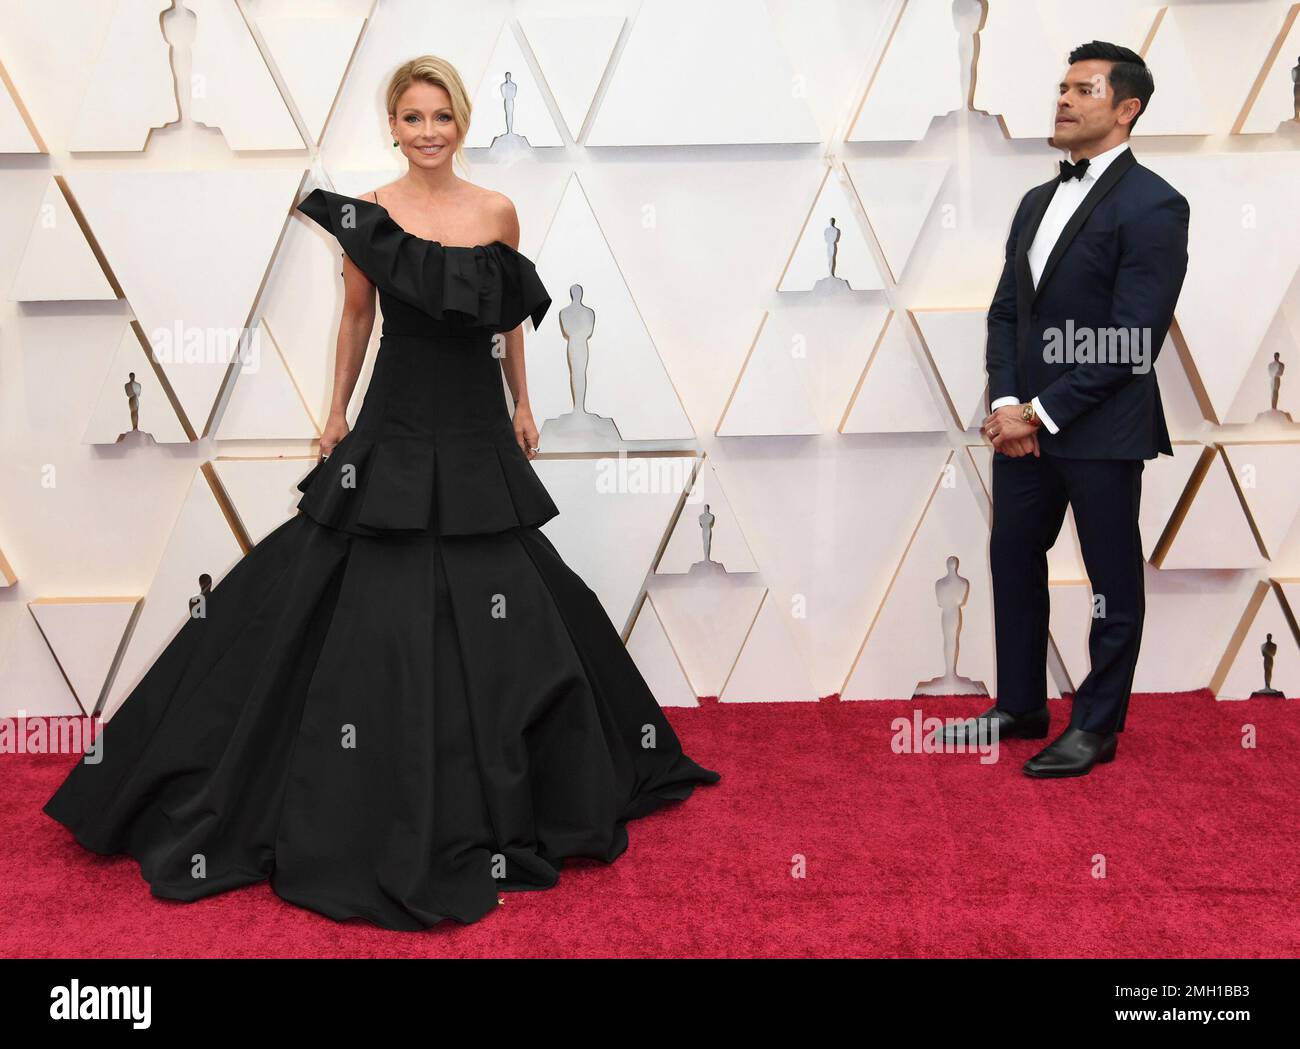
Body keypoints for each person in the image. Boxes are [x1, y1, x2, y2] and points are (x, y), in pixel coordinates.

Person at [43, 55, 720, 930]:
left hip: (475, 423)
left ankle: (523, 775)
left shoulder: (497, 212)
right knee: (350, 598)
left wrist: (525, 402)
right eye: (412, 117)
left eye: (441, 115)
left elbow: (509, 315)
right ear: (392, 126)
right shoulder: (367, 215)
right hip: (396, 418)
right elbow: (357, 318)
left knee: (516, 599)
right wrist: (332, 413)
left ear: (462, 120)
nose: (428, 131)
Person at [940, 41, 1189, 777]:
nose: (1064, 100)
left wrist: (1041, 412)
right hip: (1025, 431)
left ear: (1126, 108)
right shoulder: (1035, 202)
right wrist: (1009, 402)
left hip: (1102, 432)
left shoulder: (1156, 205)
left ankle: (1097, 726)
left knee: (1112, 582)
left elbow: (1133, 337)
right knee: (1013, 559)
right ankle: (1019, 705)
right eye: (1062, 87)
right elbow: (1006, 314)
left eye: (1083, 89)